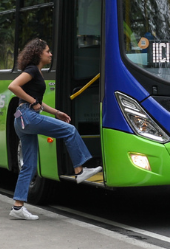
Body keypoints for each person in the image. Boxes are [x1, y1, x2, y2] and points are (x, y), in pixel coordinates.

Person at [6, 38, 102, 220]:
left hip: (22, 119)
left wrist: (56, 112)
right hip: (28, 116)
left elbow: (38, 101)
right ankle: (80, 171)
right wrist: (32, 101)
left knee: (29, 165)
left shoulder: (37, 72)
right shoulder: (32, 70)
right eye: (48, 51)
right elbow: (13, 86)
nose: (50, 54)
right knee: (70, 130)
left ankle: (17, 207)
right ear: (38, 53)